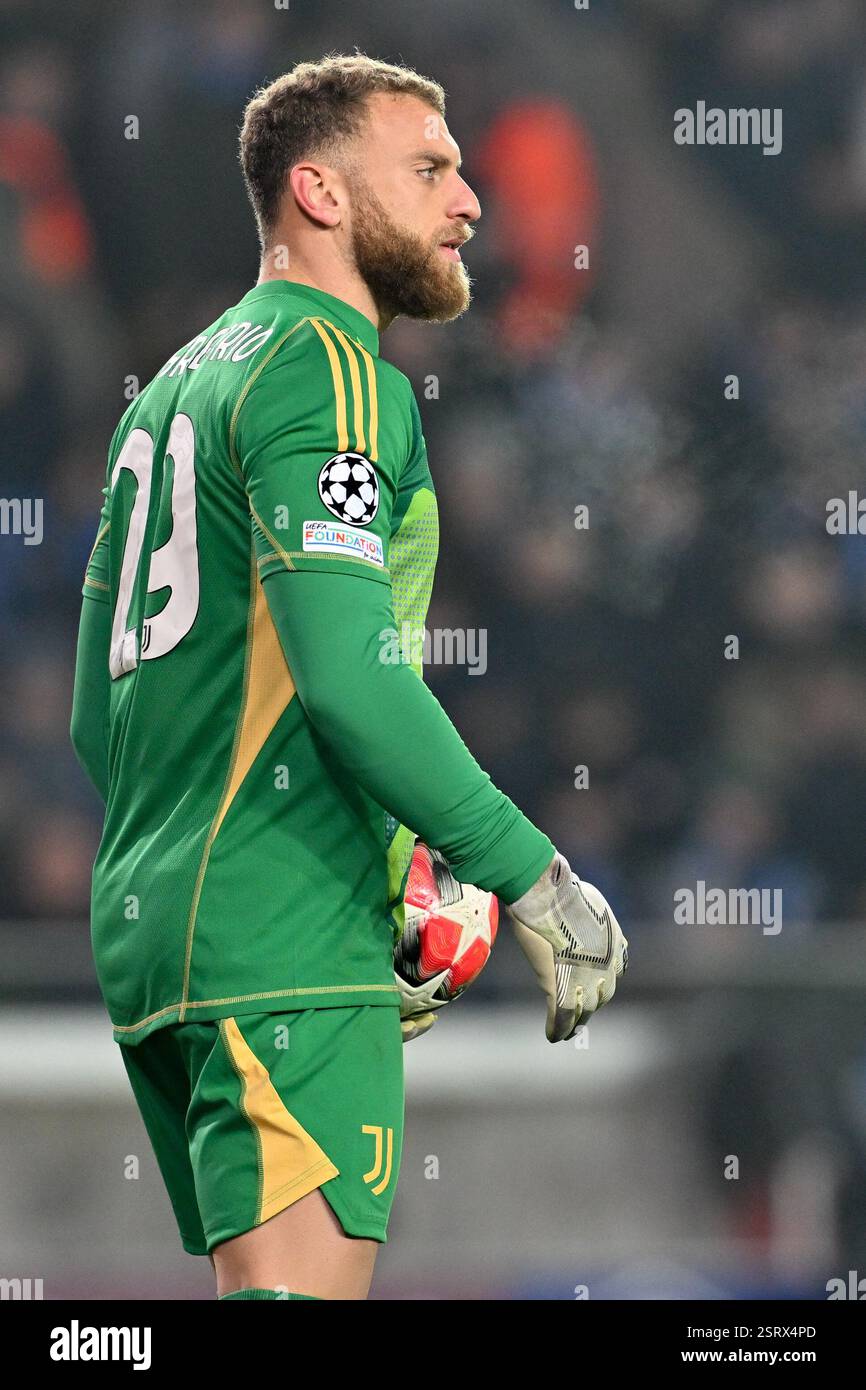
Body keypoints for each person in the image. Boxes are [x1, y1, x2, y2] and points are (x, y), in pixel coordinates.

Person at [70, 53, 627, 1303]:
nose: (469, 200)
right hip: (279, 935)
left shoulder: (171, 388)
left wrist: (353, 876)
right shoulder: (329, 372)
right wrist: (531, 878)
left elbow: (97, 719)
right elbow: (350, 680)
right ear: (319, 193)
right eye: (428, 169)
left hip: (161, 930)